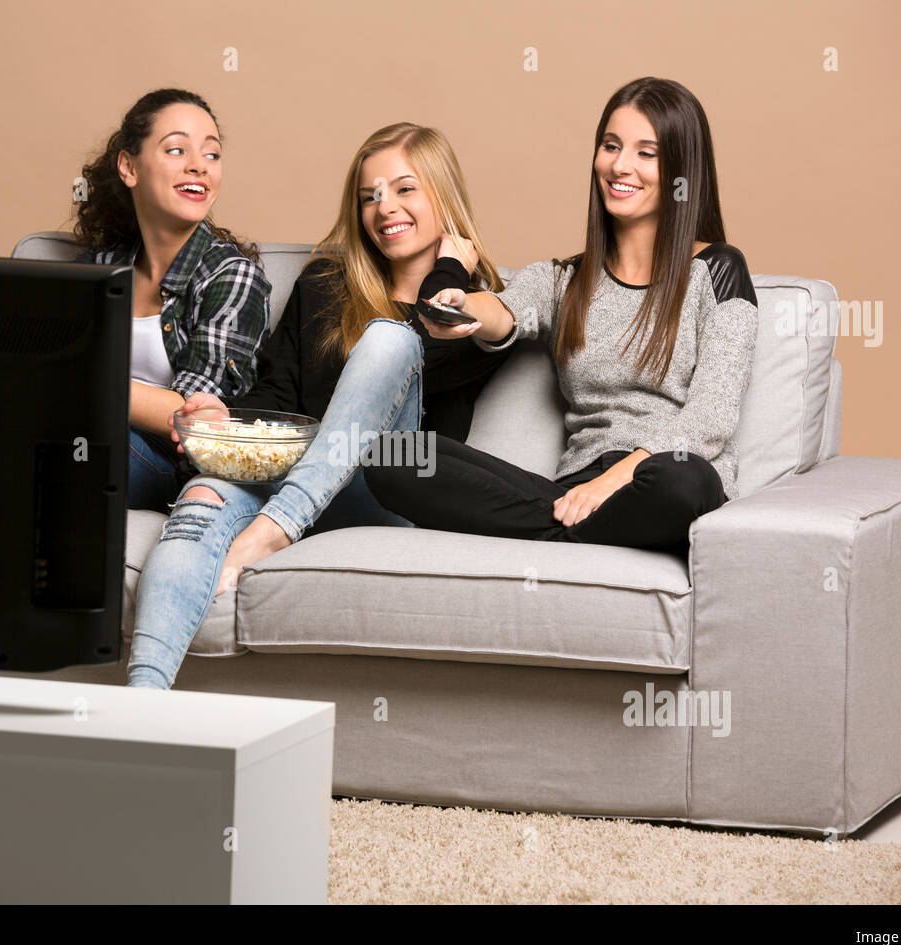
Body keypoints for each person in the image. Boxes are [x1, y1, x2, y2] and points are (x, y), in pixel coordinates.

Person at [126, 122, 514, 689]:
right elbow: (276, 397)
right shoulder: (327, 283)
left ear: (443, 195)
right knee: (202, 496)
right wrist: (223, 422)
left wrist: (449, 271)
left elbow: (434, 330)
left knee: (390, 339)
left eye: (405, 189)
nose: (385, 208)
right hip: (286, 474)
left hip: (386, 487)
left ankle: (274, 528)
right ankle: (141, 707)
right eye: (369, 196)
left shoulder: (479, 308)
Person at [363, 77, 759, 557]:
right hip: (569, 492)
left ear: (682, 169)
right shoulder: (565, 279)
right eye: (610, 146)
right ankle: (579, 536)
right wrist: (462, 303)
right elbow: (502, 312)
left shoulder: (718, 270)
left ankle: (559, 534)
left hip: (662, 476)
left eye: (645, 153)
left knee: (681, 480)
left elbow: (711, 416)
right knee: (391, 455)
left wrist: (612, 482)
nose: (619, 165)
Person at [72, 88, 272, 512]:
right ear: (129, 167)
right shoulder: (104, 264)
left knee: (91, 444)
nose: (198, 165)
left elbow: (194, 419)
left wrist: (85, 383)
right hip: (79, 426)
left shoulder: (232, 276)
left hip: (163, 464)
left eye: (212, 155)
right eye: (177, 149)